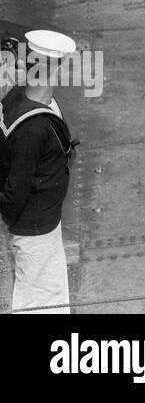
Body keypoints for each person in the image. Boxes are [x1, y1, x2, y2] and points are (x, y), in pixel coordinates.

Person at [1, 30, 78, 313]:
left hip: (41, 223)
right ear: (54, 68)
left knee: (51, 296)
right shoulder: (33, 129)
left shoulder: (17, 99)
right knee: (41, 303)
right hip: (35, 230)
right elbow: (14, 193)